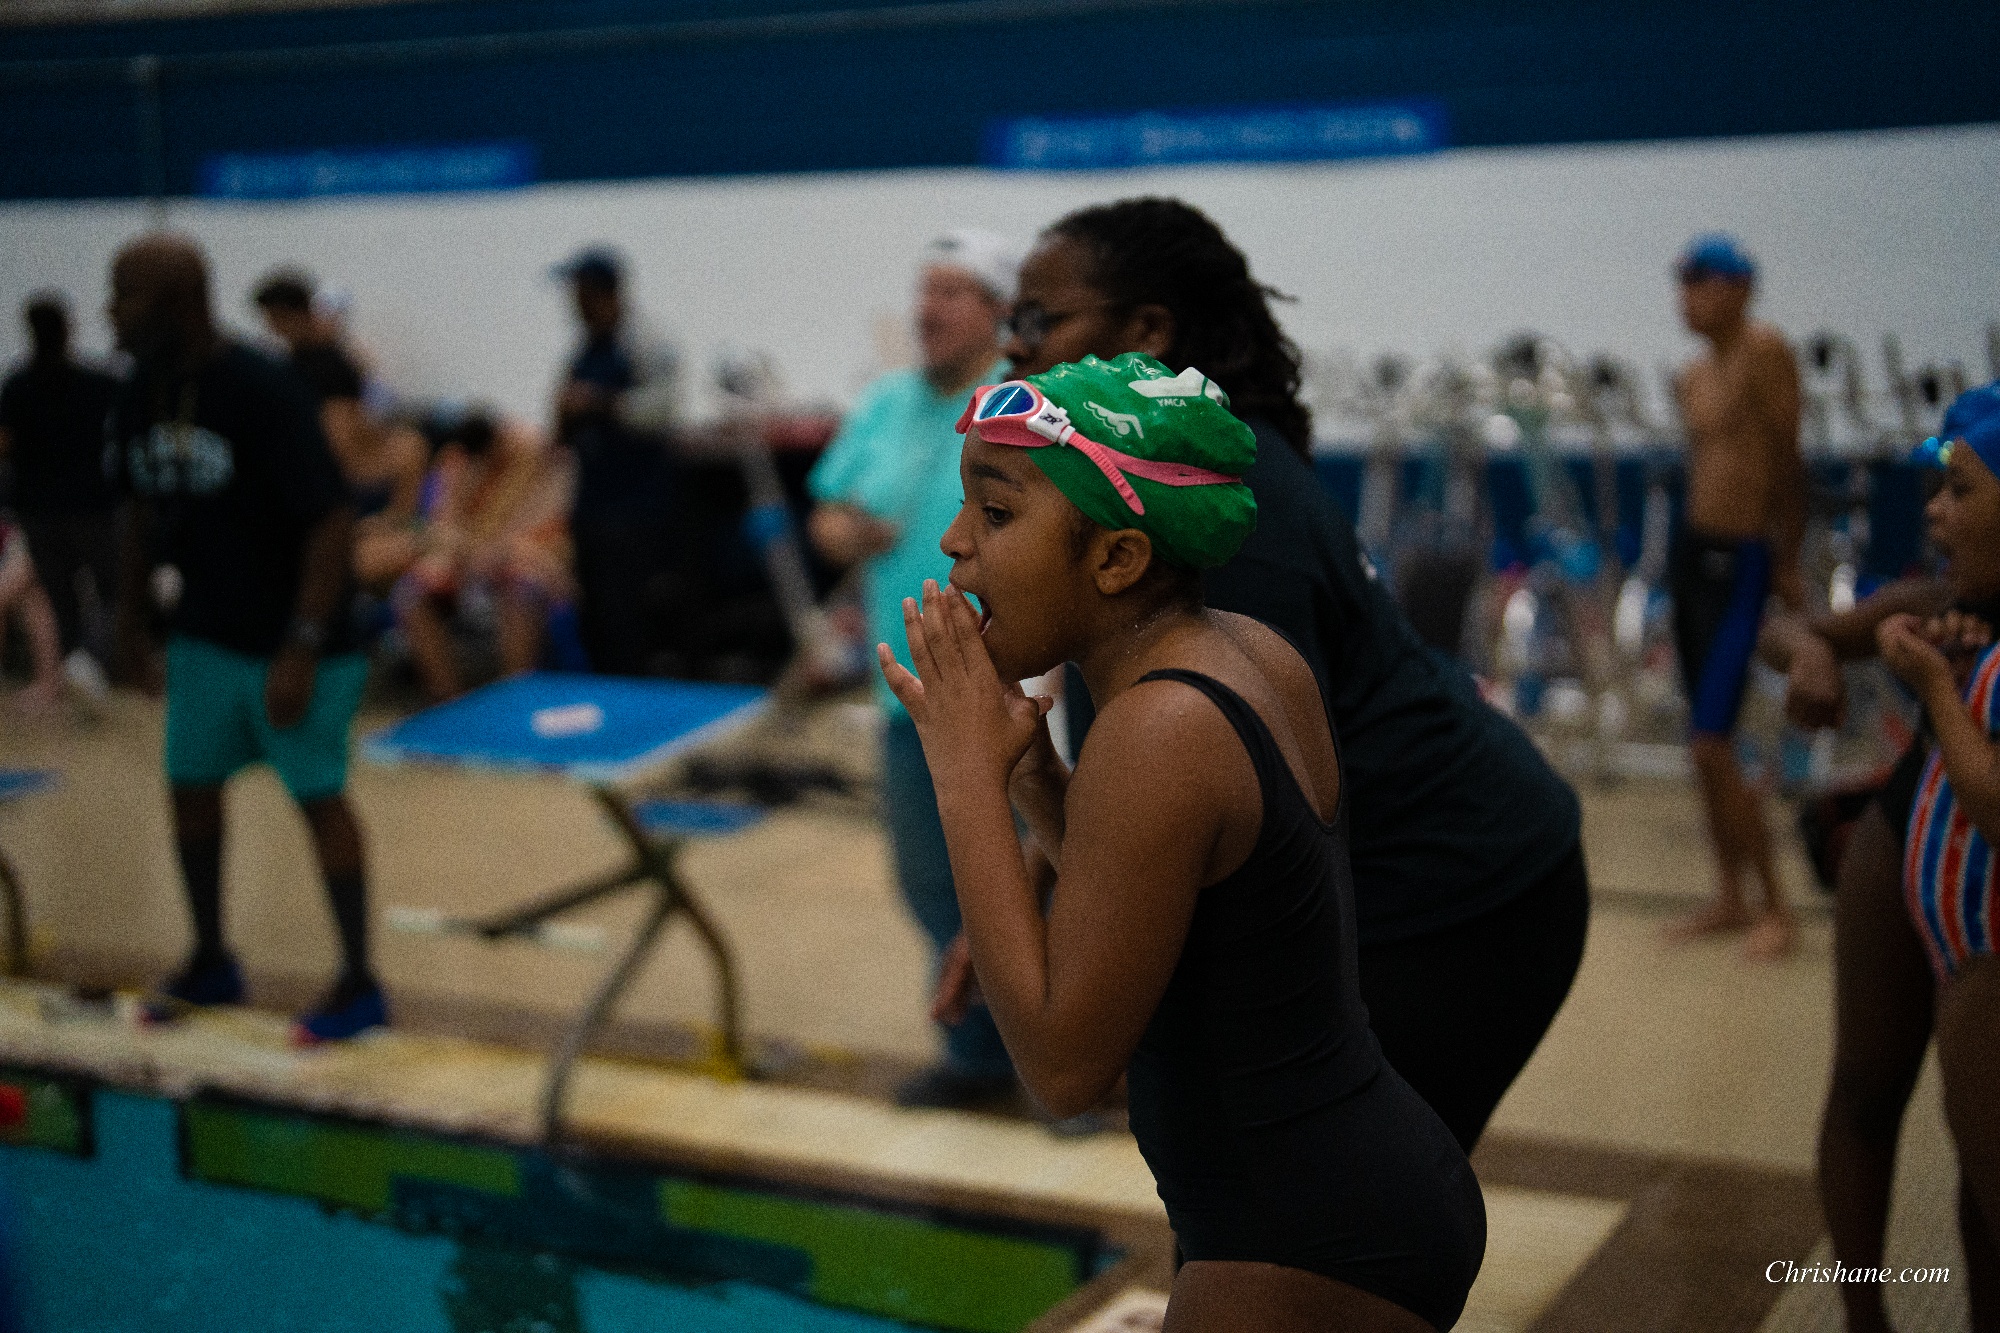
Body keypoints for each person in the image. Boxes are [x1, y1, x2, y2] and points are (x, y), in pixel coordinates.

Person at [886, 353, 1484, 1332]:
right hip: (1367, 1178)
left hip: (1294, 1239)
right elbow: (1156, 888)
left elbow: (1062, 1067)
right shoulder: (1247, 651)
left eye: (994, 513)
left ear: (1117, 559)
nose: (954, 541)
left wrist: (963, 776)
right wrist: (1029, 774)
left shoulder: (1158, 728)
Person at [980, 198, 1586, 1153]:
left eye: (1036, 318)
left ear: (1148, 331)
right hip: (1444, 864)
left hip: (1462, 890)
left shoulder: (1220, 531)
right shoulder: (1162, 488)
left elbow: (1079, 1051)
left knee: (1308, 1193)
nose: (1012, 346)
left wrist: (1016, 874)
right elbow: (1114, 801)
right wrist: (1022, 899)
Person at [105, 234, 384, 1044]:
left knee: (317, 796)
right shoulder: (143, 390)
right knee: (190, 787)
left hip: (298, 636)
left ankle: (360, 982)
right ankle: (210, 960)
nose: (111, 315)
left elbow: (330, 520)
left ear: (179, 301)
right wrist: (129, 623)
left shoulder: (263, 390)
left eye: (126, 297)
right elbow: (136, 512)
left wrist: (300, 645)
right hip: (206, 633)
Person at [1773, 385, 2000, 1333]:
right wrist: (1816, 657)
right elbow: (1794, 629)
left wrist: (1937, 683)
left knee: (1986, 1166)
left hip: (1983, 909)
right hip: (1906, 842)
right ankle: (1863, 1314)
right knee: (1866, 1092)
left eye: (1960, 490)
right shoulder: (1938, 605)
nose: (1935, 512)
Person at [806, 230, 1021, 1110]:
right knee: (932, 886)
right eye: (924, 290)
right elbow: (827, 514)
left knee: (1023, 880)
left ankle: (1063, 1067)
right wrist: (850, 533)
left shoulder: (1022, 403)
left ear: (999, 312)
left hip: (1010, 692)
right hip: (906, 694)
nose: (928, 309)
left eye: (952, 292)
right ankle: (976, 1058)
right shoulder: (886, 402)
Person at [1665, 232, 1808, 960]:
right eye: (1682, 283)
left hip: (1745, 559)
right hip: (1693, 556)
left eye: (1700, 282)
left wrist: (1789, 559)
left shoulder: (1765, 352)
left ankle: (1777, 906)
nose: (1686, 298)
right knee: (1700, 748)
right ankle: (1730, 894)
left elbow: (1788, 461)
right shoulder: (1692, 375)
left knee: (1714, 742)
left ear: (1740, 288)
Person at [252, 270, 426, 592]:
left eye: (274, 320)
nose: (271, 329)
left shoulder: (326, 369)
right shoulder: (301, 364)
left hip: (347, 499)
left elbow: (338, 438)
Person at [551, 247, 681, 676]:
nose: (575, 304)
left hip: (635, 505)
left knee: (630, 611)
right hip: (593, 502)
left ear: (606, 294)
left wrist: (600, 403)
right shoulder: (582, 349)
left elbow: (662, 410)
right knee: (595, 610)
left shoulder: (646, 342)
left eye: (582, 294)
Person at [393, 409, 576, 700]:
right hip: (469, 562)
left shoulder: (541, 457)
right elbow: (443, 529)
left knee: (521, 586)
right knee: (410, 593)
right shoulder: (458, 462)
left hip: (524, 558)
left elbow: (544, 529)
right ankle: (448, 699)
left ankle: (517, 695)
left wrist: (495, 550)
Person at [0, 294, 121, 697]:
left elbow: (5, 445)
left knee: (57, 596)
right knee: (110, 592)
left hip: (39, 508)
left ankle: (65, 671)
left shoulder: (19, 385)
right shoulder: (97, 383)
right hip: (92, 504)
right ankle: (93, 664)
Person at [0, 519, 64, 712]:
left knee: (31, 597)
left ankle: (48, 687)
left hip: (14, 549)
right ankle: (48, 686)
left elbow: (25, 563)